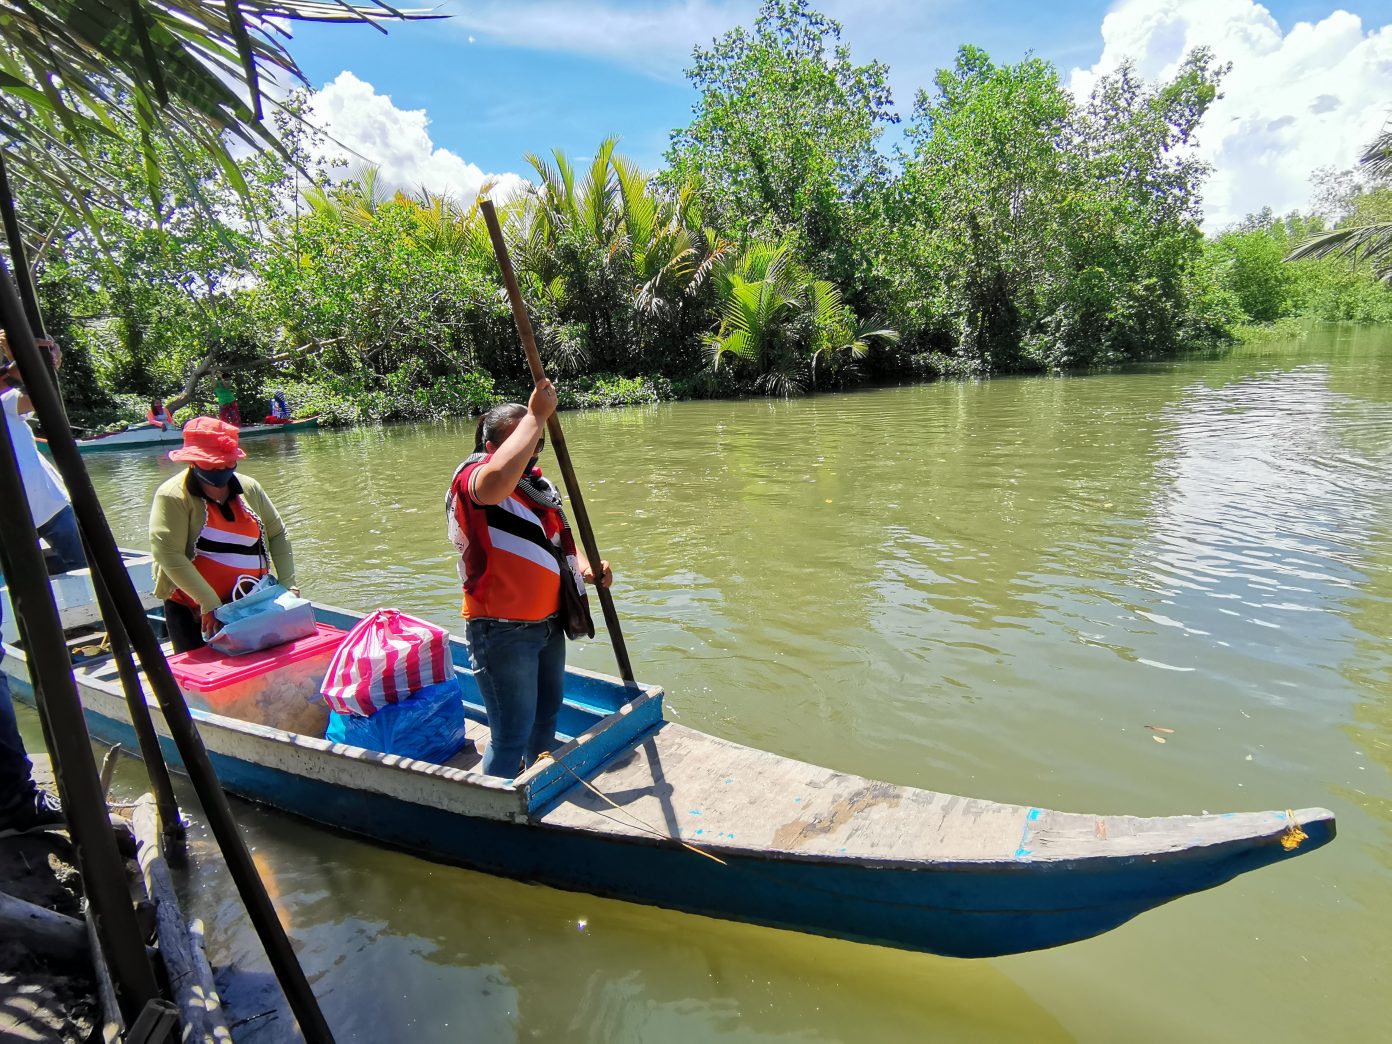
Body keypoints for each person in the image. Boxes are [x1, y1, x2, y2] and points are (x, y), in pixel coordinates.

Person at [445, 380, 611, 778]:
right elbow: (494, 484)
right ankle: (494, 810)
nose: (530, 451)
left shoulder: (537, 487)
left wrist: (586, 568)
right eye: (521, 442)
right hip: (502, 631)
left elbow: (555, 542)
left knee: (545, 718)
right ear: (491, 447)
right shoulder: (475, 478)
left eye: (536, 443)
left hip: (548, 625)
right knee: (510, 736)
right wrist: (536, 416)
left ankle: (540, 787)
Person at [149, 417, 296, 653]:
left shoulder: (249, 487)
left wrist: (288, 583)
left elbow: (277, 533)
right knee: (209, 681)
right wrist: (208, 603)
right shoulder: (173, 496)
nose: (220, 470)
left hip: (252, 603)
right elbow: (169, 554)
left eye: (227, 464)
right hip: (196, 611)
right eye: (212, 464)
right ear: (193, 461)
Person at [0, 331, 67, 836]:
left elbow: (29, 390)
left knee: (84, 565)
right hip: (16, 514)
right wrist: (34, 362)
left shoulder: (8, 401)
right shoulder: (5, 397)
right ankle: (14, 800)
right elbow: (27, 387)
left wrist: (37, 360)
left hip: (43, 504)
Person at [0, 332, 85, 573]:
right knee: (23, 583)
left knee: (84, 570)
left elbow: (33, 398)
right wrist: (28, 357)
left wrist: (44, 361)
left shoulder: (4, 402)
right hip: (9, 522)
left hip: (50, 506)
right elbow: (14, 374)